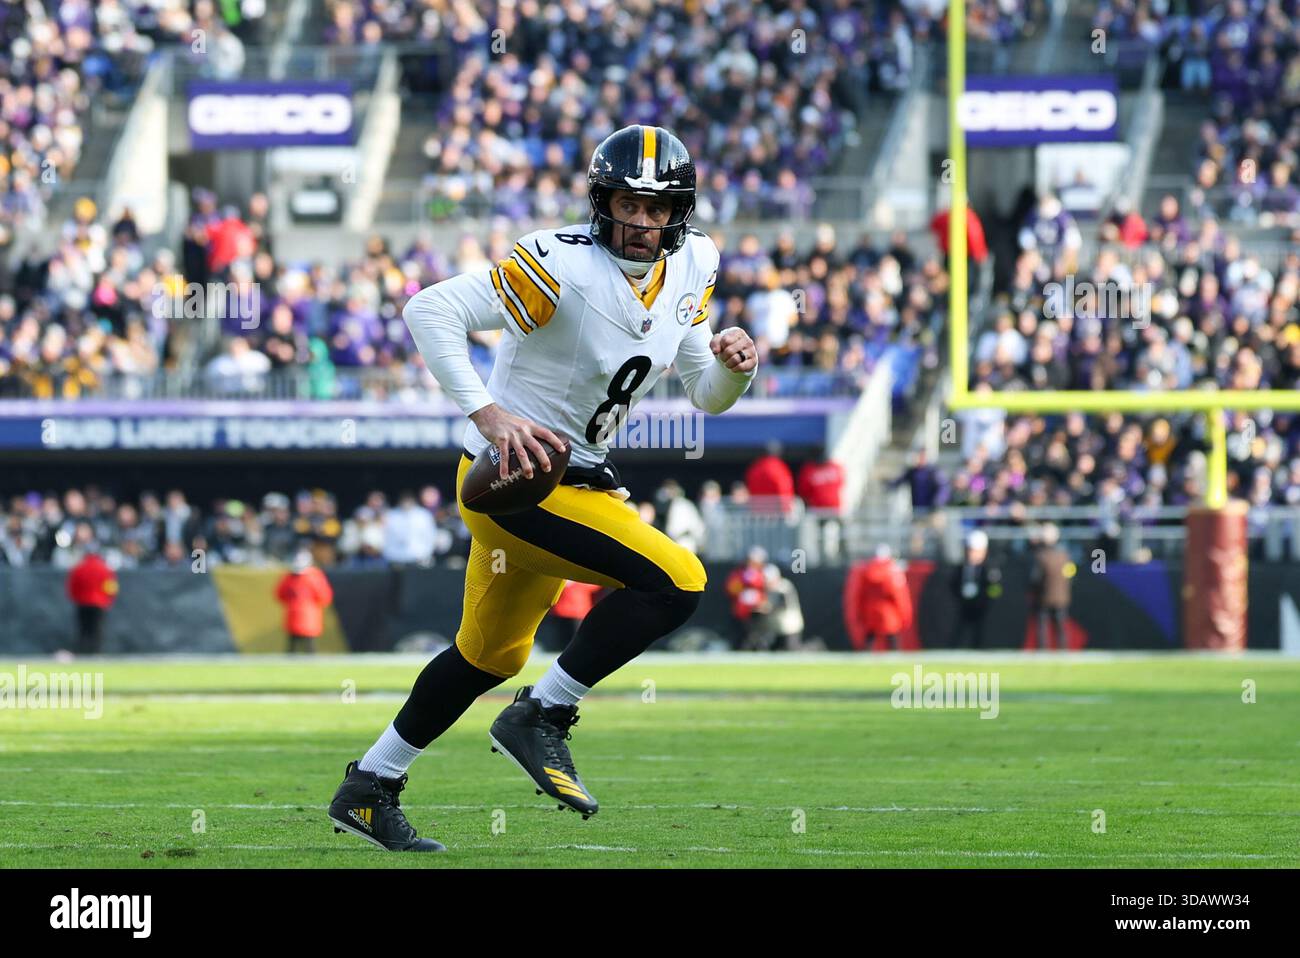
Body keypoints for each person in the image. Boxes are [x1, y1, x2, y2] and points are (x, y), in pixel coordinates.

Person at [328, 125, 758, 851]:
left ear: (679, 213)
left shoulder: (694, 265)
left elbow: (702, 391)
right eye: (629, 203)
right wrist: (490, 415)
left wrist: (735, 368)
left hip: (576, 478)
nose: (642, 223)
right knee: (676, 582)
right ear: (601, 202)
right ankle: (543, 714)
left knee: (487, 656)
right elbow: (429, 309)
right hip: (510, 483)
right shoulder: (559, 264)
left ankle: (371, 787)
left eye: (658, 210)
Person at [844, 545, 913, 651]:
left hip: (870, 611)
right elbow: (898, 596)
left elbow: (858, 594)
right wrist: (905, 614)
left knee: (870, 640)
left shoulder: (865, 571)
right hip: (890, 612)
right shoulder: (892, 571)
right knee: (893, 641)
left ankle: (865, 660)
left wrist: (859, 613)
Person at [950, 530, 1002, 649]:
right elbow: (954, 585)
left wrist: (984, 597)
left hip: (983, 609)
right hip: (965, 607)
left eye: (975, 551)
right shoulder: (962, 567)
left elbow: (995, 590)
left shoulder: (990, 568)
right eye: (970, 550)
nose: (972, 554)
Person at [275, 550, 334, 654]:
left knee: (300, 646)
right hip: (305, 615)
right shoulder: (313, 576)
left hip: (304, 615)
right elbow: (324, 596)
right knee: (302, 646)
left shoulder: (310, 576)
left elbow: (280, 594)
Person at [1028, 523, 1073, 650]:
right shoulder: (1065, 555)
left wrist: (1033, 591)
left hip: (1044, 596)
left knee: (1042, 625)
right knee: (1061, 625)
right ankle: (1063, 649)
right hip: (1062, 596)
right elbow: (1070, 575)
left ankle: (1043, 650)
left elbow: (1035, 578)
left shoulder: (1040, 556)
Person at [65, 546, 118, 655]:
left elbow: (72, 586)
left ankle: (82, 652)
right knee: (97, 630)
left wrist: (76, 598)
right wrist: (108, 600)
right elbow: (111, 586)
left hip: (82, 603)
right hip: (99, 603)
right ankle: (96, 652)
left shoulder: (79, 568)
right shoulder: (105, 568)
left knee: (84, 630)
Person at [725, 547, 771, 650]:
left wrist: (763, 602)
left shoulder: (764, 574)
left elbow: (767, 590)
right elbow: (731, 588)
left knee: (758, 634)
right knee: (741, 635)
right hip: (741, 610)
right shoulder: (738, 574)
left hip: (758, 611)